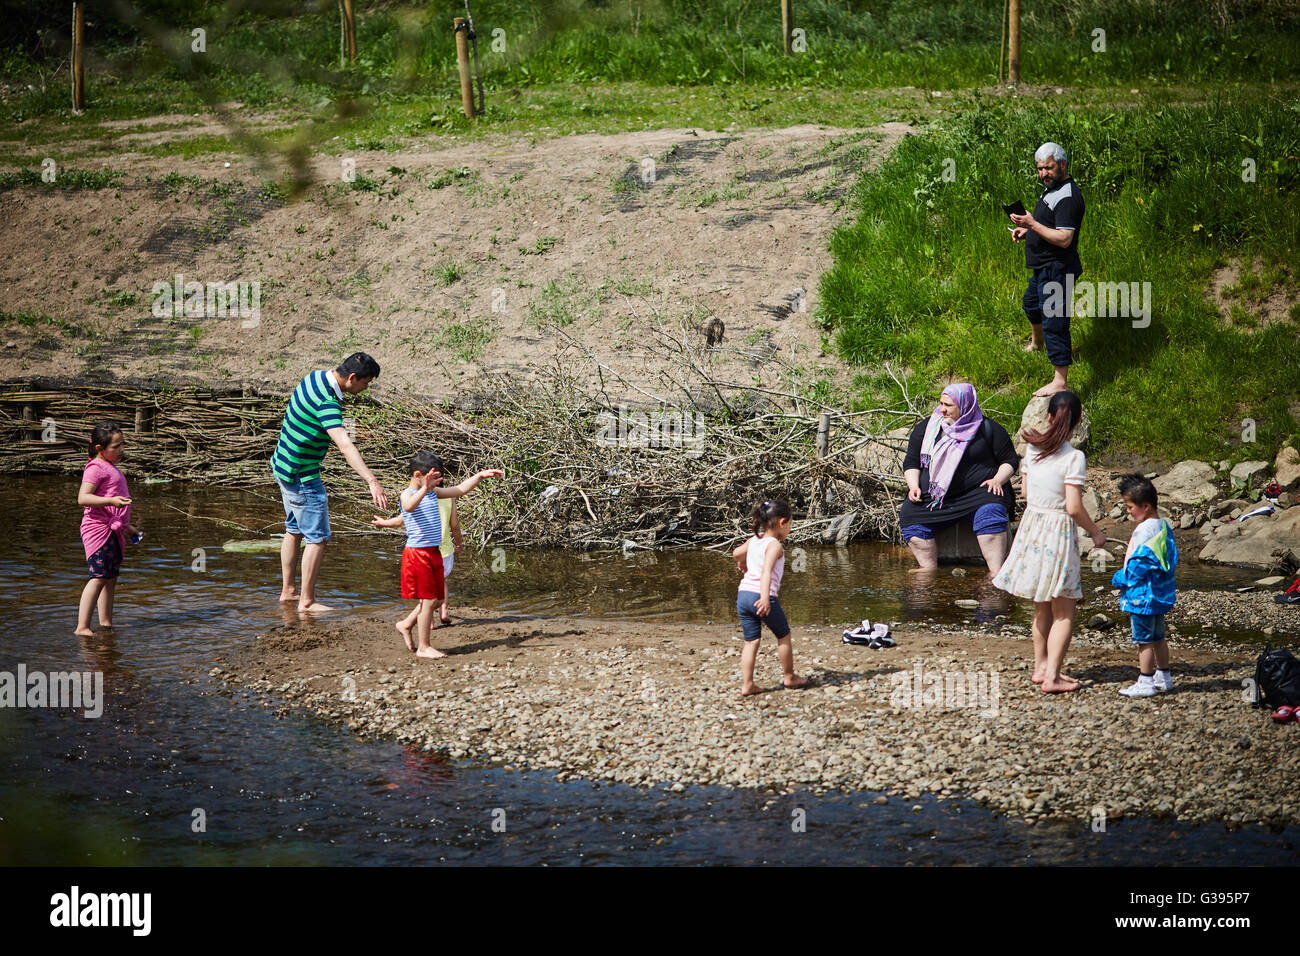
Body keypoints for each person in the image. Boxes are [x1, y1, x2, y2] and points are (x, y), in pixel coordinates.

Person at [992, 391, 1106, 692]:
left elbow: (1027, 494)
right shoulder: (1074, 457)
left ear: (1049, 417)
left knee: (1041, 605)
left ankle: (1041, 667)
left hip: (1032, 528)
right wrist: (1095, 533)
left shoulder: (1032, 450)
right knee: (1065, 611)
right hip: (1057, 531)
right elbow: (1072, 506)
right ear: (1078, 420)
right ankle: (1053, 677)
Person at [272, 353, 389, 613]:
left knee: (294, 530)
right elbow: (345, 444)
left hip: (282, 466)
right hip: (302, 476)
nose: (366, 388)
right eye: (366, 383)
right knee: (318, 538)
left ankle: (288, 592)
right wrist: (372, 480)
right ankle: (307, 601)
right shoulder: (327, 402)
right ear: (351, 378)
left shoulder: (313, 377)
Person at [371, 453, 502, 659]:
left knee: (439, 598)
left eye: (438, 480)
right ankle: (424, 647)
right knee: (429, 599)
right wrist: (425, 488)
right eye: (434, 479)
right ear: (418, 475)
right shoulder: (408, 494)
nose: (437, 483)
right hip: (417, 554)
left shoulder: (433, 492)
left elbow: (459, 490)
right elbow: (407, 507)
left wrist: (480, 476)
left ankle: (405, 625)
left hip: (434, 552)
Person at [900, 384, 1019, 575]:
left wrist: (997, 479)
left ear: (965, 406)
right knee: (910, 515)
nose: (942, 409)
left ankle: (996, 573)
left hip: (980, 492)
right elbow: (912, 462)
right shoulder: (927, 429)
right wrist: (913, 485)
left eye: (949, 405)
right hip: (936, 495)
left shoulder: (988, 428)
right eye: (941, 404)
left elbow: (1010, 460)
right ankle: (928, 570)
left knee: (991, 512)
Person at [1009, 142, 1085, 397]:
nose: (1044, 173)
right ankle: (1037, 345)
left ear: (1063, 165)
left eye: (1049, 168)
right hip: (1043, 268)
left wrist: (1032, 222)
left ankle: (1060, 381)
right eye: (1040, 169)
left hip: (1058, 270)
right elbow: (1047, 224)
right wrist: (1027, 228)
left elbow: (1064, 239)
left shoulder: (1068, 197)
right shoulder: (1052, 190)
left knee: (1055, 322)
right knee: (1031, 304)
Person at [1109, 474, 1178, 698]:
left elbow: (1137, 567)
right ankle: (1164, 677)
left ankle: (1146, 681)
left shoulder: (1144, 531)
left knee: (1143, 641)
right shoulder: (1163, 527)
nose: (1128, 511)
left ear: (1145, 506)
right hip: (1158, 594)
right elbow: (1171, 560)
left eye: (1130, 507)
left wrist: (1119, 579)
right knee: (1158, 637)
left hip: (1142, 597)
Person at [732, 499, 808, 697]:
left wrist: (742, 563)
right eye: (790, 524)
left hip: (743, 595)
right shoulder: (774, 545)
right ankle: (789, 677)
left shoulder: (754, 540)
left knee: (751, 641)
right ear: (782, 522)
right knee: (783, 635)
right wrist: (765, 598)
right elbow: (766, 572)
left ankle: (747, 684)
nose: (789, 529)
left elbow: (736, 553)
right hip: (761, 596)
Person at [76, 423, 141, 636]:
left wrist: (128, 528)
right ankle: (82, 627)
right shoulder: (95, 467)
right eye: (116, 446)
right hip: (97, 531)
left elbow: (113, 513)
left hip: (112, 530)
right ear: (99, 448)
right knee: (98, 577)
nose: (121, 449)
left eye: (122, 444)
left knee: (110, 578)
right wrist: (111, 499)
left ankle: (105, 623)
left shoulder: (111, 468)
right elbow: (83, 498)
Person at [436, 472, 462, 626]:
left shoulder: (419, 497)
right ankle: (444, 610)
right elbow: (455, 526)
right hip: (445, 549)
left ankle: (429, 621)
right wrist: (458, 542)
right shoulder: (449, 497)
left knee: (427, 585)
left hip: (426, 549)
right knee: (441, 580)